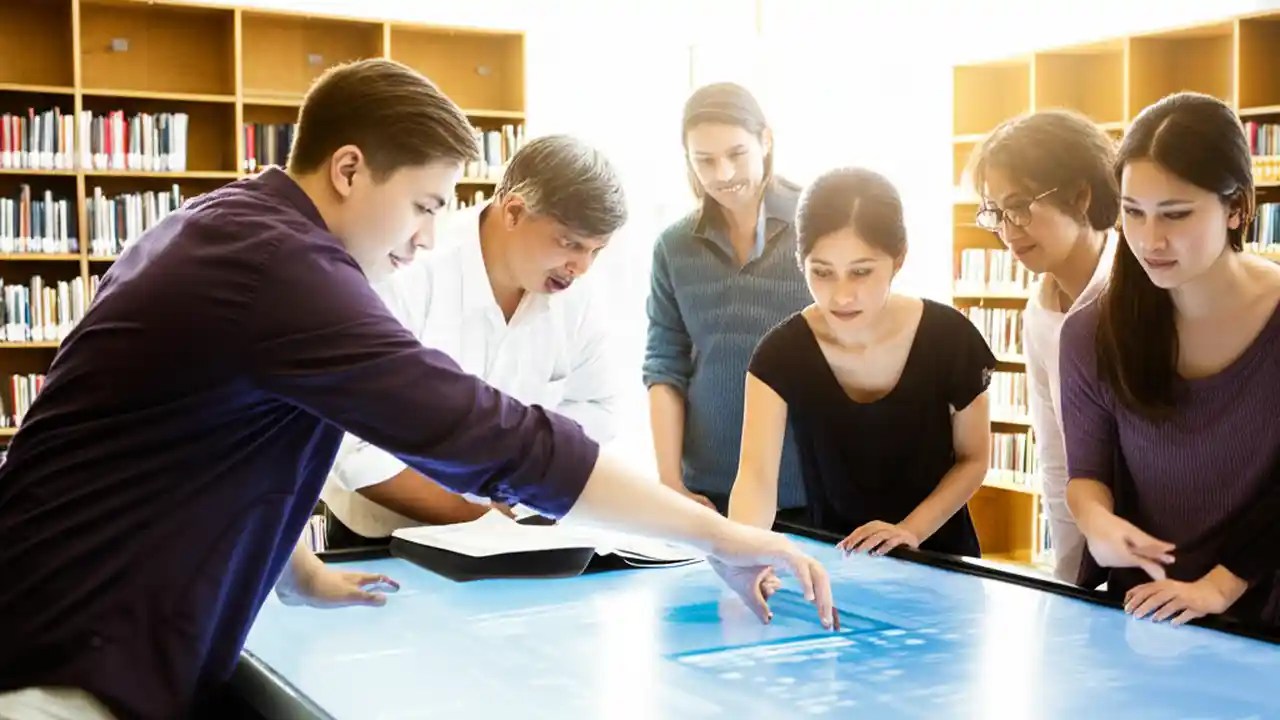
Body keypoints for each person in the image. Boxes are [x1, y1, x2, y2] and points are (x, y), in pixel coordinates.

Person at [0, 59, 835, 720]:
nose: (429, 235)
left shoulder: (225, 228)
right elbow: (497, 439)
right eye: (425, 204)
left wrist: (296, 573)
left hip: (73, 629)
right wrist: (717, 536)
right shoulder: (285, 270)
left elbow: (235, 434)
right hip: (62, 669)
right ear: (351, 170)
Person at [320, 134, 626, 547]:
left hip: (517, 534)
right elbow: (353, 446)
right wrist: (480, 518)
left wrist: (521, 498)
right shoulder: (411, 268)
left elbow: (596, 409)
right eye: (570, 243)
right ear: (515, 211)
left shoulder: (577, 293)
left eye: (597, 250)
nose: (582, 267)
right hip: (385, 538)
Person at [1061, 91, 1280, 629]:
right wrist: (1100, 526)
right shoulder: (1091, 331)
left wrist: (1217, 587)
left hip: (1265, 605)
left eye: (1175, 214)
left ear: (1238, 208)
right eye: (1133, 213)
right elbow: (1086, 476)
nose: (1149, 239)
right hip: (1145, 614)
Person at [727, 166, 995, 559]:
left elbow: (974, 458)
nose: (841, 295)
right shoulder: (780, 355)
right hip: (833, 561)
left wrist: (909, 530)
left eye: (861, 272)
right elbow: (756, 477)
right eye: (822, 272)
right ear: (800, 261)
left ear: (898, 259)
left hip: (942, 559)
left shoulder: (951, 338)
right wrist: (743, 557)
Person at [966, 109, 1121, 584]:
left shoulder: (1147, 288)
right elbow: (1058, 459)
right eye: (995, 212)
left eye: (1020, 206)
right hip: (1103, 569)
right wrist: (1072, 581)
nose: (1008, 231)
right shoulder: (1039, 315)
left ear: (1080, 195)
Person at [644, 82, 811, 518]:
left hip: (808, 488)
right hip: (707, 489)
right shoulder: (673, 247)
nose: (722, 174)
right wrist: (670, 482)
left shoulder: (815, 227)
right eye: (705, 160)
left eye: (736, 154)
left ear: (766, 140)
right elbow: (664, 365)